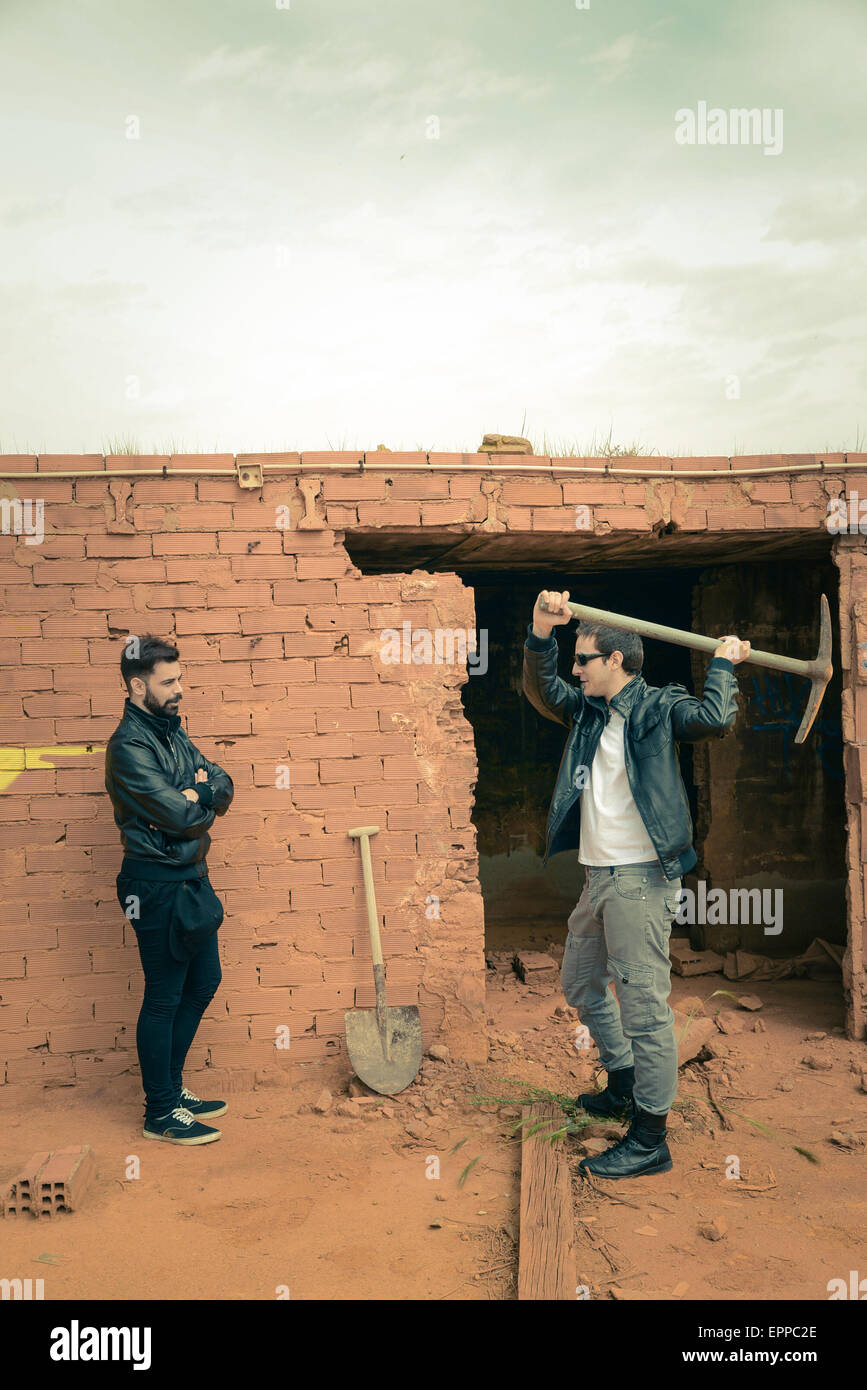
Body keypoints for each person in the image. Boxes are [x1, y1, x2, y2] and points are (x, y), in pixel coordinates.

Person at [523, 590, 750, 1179]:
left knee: (645, 1010)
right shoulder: (588, 712)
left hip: (640, 880)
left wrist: (723, 664)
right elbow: (544, 689)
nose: (575, 671)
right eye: (574, 661)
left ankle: (650, 1138)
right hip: (597, 877)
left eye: (584, 660)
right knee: (579, 983)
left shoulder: (658, 707)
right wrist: (541, 633)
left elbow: (714, 718)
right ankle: (623, 1084)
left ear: (617, 660)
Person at [105, 634, 234, 1146]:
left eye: (180, 678)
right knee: (163, 996)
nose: (181, 688)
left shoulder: (172, 732)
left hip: (190, 880)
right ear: (139, 686)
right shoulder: (129, 747)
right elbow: (181, 818)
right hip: (154, 886)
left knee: (204, 982)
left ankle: (173, 1090)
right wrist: (194, 800)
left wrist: (198, 788)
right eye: (169, 682)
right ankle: (159, 1112)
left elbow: (222, 784)